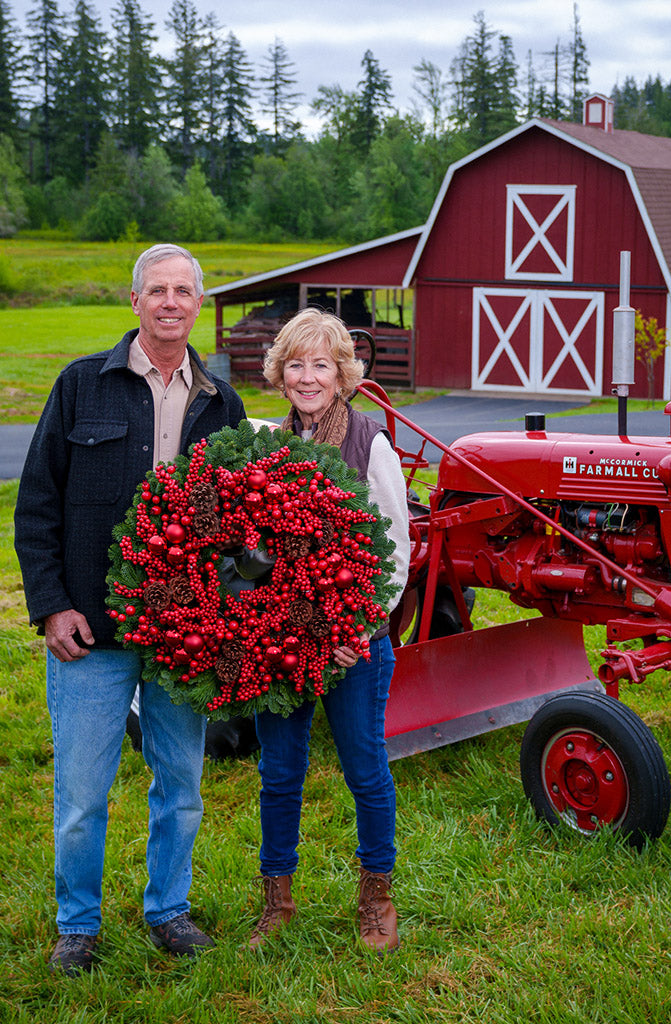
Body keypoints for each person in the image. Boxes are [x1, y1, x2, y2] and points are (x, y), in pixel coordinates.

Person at [14, 243, 246, 976]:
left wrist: (227, 618)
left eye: (184, 290)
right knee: (82, 792)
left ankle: (168, 912)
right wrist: (52, 606)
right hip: (94, 629)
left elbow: (243, 524)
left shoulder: (222, 402)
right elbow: (37, 503)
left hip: (184, 633)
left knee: (181, 785)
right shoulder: (83, 386)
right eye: (158, 290)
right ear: (136, 301)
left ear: (199, 304)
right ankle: (76, 925)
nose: (170, 301)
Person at [248, 306, 410, 954]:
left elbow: (395, 546)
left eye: (320, 364)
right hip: (282, 644)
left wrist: (362, 622)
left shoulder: (369, 442)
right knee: (279, 773)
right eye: (295, 364)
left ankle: (376, 900)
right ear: (280, 373)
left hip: (353, 644)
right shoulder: (264, 443)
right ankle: (277, 902)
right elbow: (245, 548)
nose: (307, 376)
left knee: (365, 769)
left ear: (341, 373)